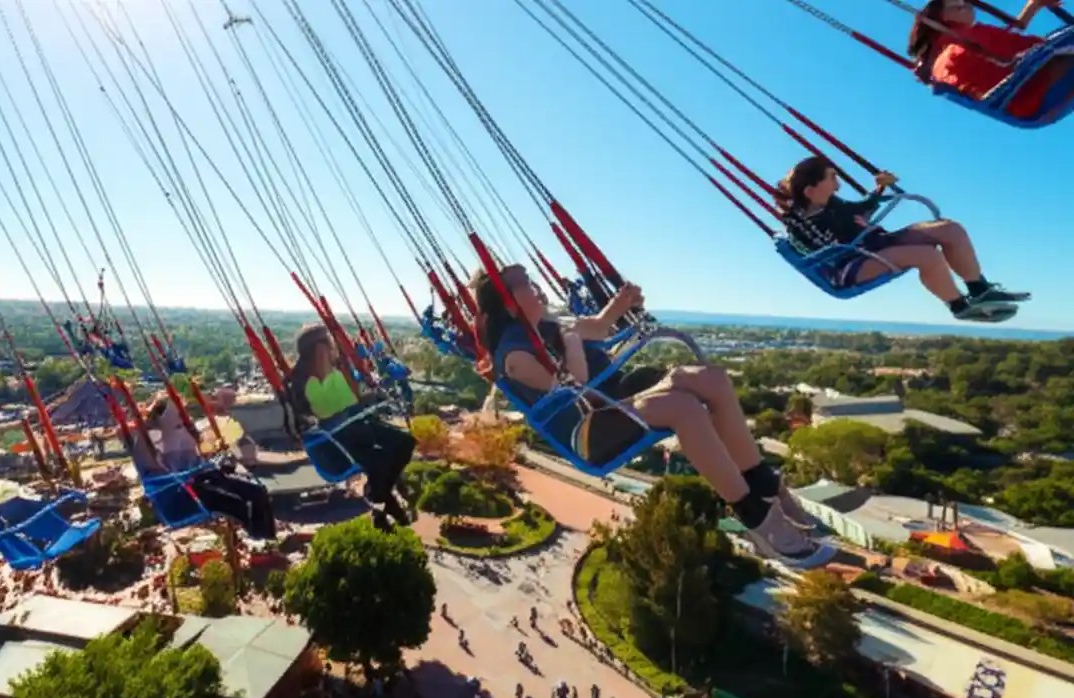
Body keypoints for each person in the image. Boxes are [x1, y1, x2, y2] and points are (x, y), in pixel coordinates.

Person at [471, 265, 826, 562]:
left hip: (614, 403)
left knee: (711, 381)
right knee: (682, 407)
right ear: (511, 302)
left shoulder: (547, 327)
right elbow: (573, 387)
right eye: (527, 287)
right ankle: (757, 517)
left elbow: (598, 327)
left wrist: (620, 304)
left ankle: (764, 485)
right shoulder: (514, 356)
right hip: (588, 429)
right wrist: (574, 343)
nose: (537, 289)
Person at [777, 156, 1029, 321]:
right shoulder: (799, 223)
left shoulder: (832, 202)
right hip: (850, 264)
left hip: (876, 244)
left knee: (950, 229)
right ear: (811, 190)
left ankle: (979, 289)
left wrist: (880, 187)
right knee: (927, 256)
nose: (838, 185)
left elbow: (859, 211)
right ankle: (958, 305)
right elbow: (818, 249)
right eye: (832, 178)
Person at [286, 323, 414, 531]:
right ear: (320, 349)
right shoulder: (309, 383)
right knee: (380, 462)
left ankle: (378, 499)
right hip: (342, 438)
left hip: (357, 424)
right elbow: (329, 412)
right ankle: (381, 507)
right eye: (329, 343)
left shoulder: (336, 373)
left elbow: (350, 402)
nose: (333, 347)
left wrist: (375, 395)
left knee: (405, 442)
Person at [908, 0, 1074, 120]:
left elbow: (1007, 37)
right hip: (1030, 88)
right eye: (957, 6)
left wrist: (1033, 5)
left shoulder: (954, 47)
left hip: (1018, 99)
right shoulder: (960, 42)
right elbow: (1011, 42)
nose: (966, 5)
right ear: (942, 17)